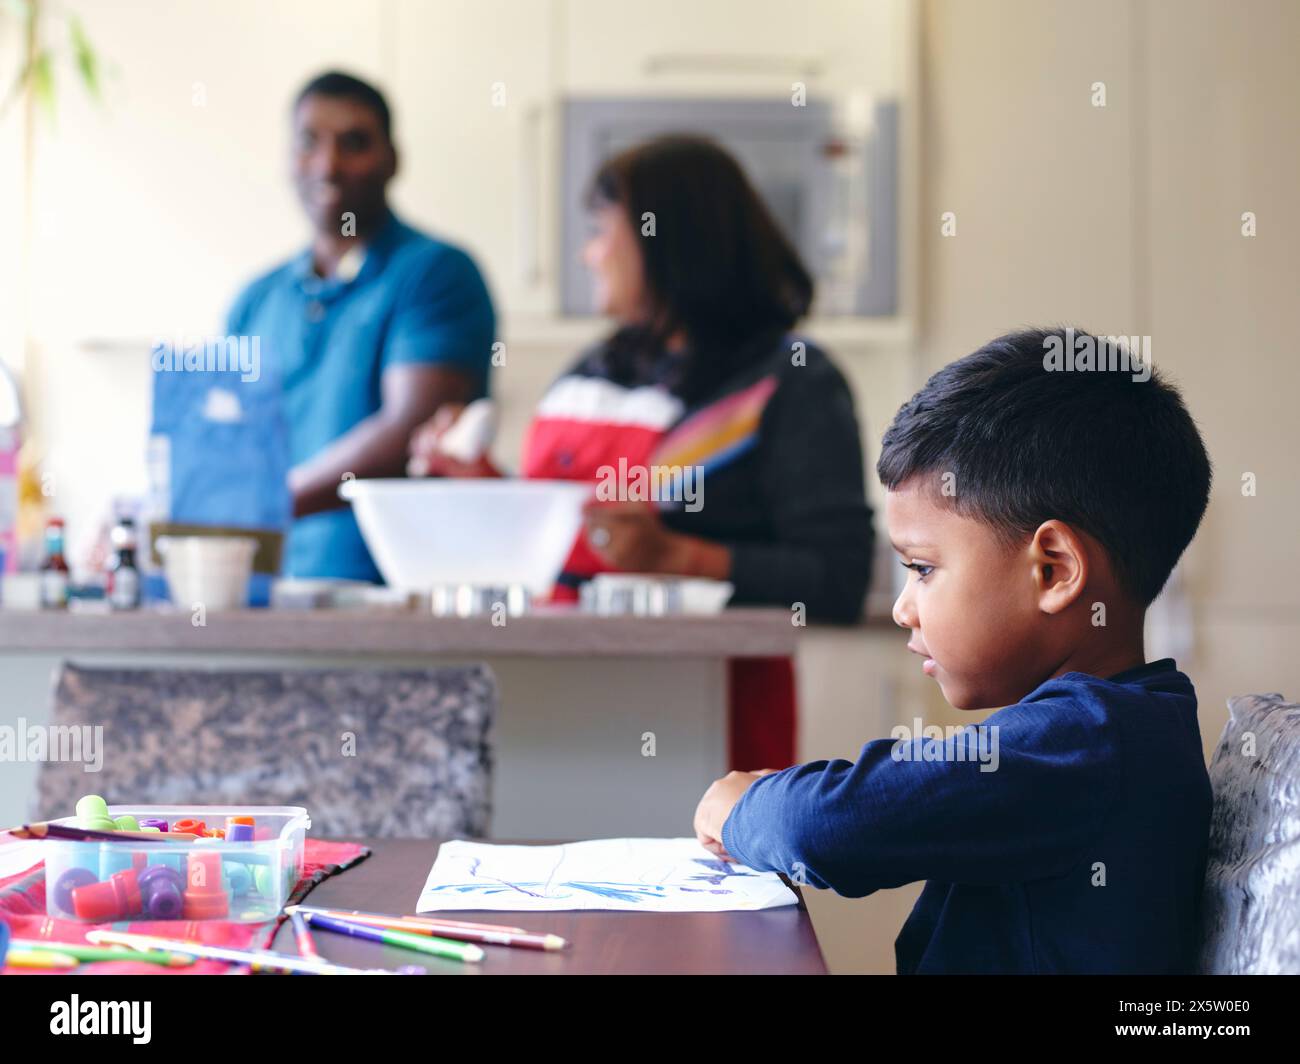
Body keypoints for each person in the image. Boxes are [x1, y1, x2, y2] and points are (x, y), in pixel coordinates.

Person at [694, 328, 1215, 974]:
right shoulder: (1118, 730)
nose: (902, 606)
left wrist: (745, 807)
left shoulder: (1090, 743)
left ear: (1053, 571)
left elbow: (832, 826)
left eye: (922, 568)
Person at [410, 135, 874, 768]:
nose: (589, 252)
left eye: (604, 229)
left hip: (708, 723)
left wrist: (676, 556)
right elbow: (563, 527)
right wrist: (481, 481)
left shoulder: (792, 379)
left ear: (667, 240)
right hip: (550, 706)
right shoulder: (593, 368)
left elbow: (837, 581)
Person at [226, 71, 495, 581]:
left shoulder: (435, 274)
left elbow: (409, 428)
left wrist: (270, 502)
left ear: (393, 160)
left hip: (397, 596)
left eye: (354, 144)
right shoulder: (255, 301)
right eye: (309, 143)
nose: (328, 167)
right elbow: (227, 443)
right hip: (269, 594)